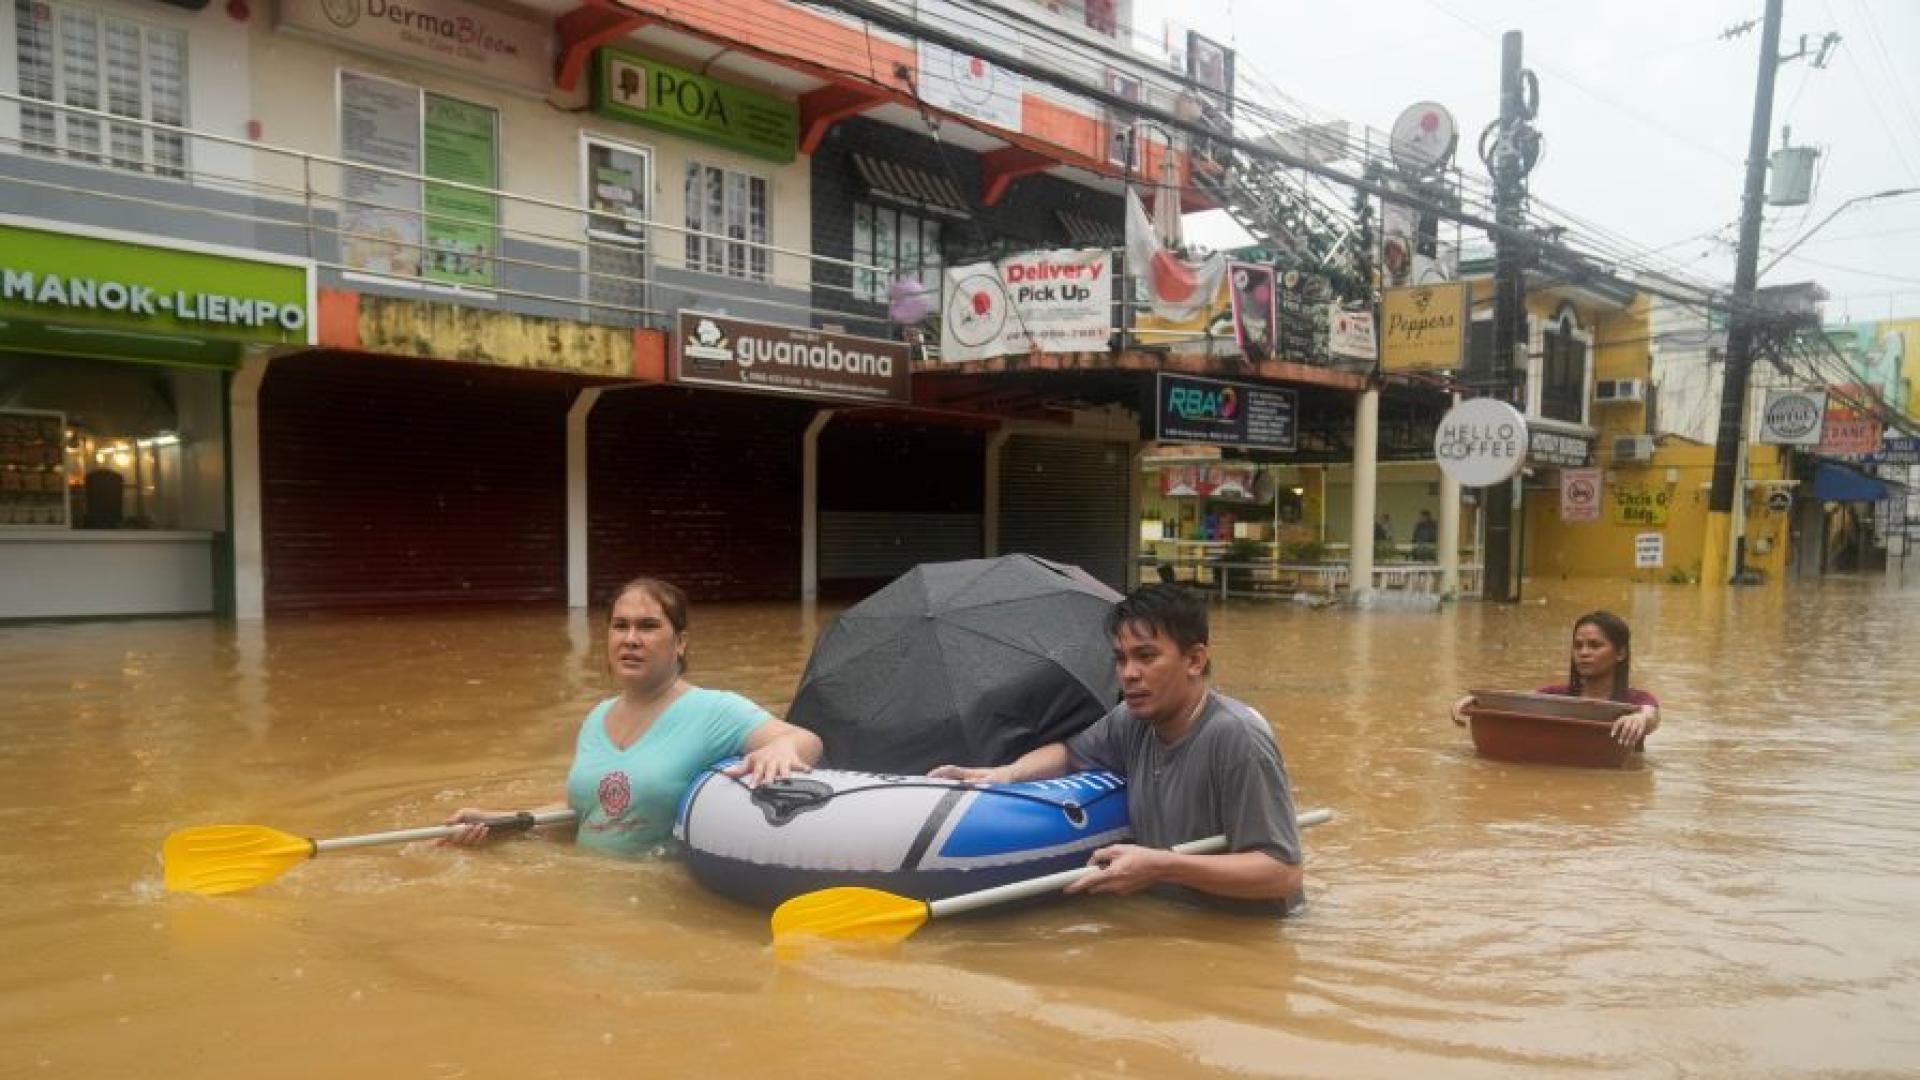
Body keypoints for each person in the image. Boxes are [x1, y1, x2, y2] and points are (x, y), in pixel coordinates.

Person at [931, 584, 1304, 911]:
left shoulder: (1237, 739)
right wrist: (1005, 774)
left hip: (1239, 937)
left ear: (1194, 660)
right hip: (1171, 924)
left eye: (1146, 656)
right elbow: (1069, 754)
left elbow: (1281, 871)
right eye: (1121, 658)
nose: (1129, 674)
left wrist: (1163, 866)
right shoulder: (1131, 720)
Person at [444, 576, 822, 856]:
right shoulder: (597, 718)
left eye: (648, 626)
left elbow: (807, 740)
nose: (630, 639)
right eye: (620, 626)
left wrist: (782, 747)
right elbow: (585, 812)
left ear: (681, 642)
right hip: (585, 900)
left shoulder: (714, 710)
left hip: (661, 905)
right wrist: (501, 823)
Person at [1452, 610, 1661, 748]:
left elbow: (1650, 716)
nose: (1584, 653)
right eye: (1578, 646)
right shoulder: (1553, 696)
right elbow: (1516, 704)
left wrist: (1639, 719)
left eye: (1595, 645)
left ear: (1620, 653)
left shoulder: (1637, 701)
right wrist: (1478, 702)